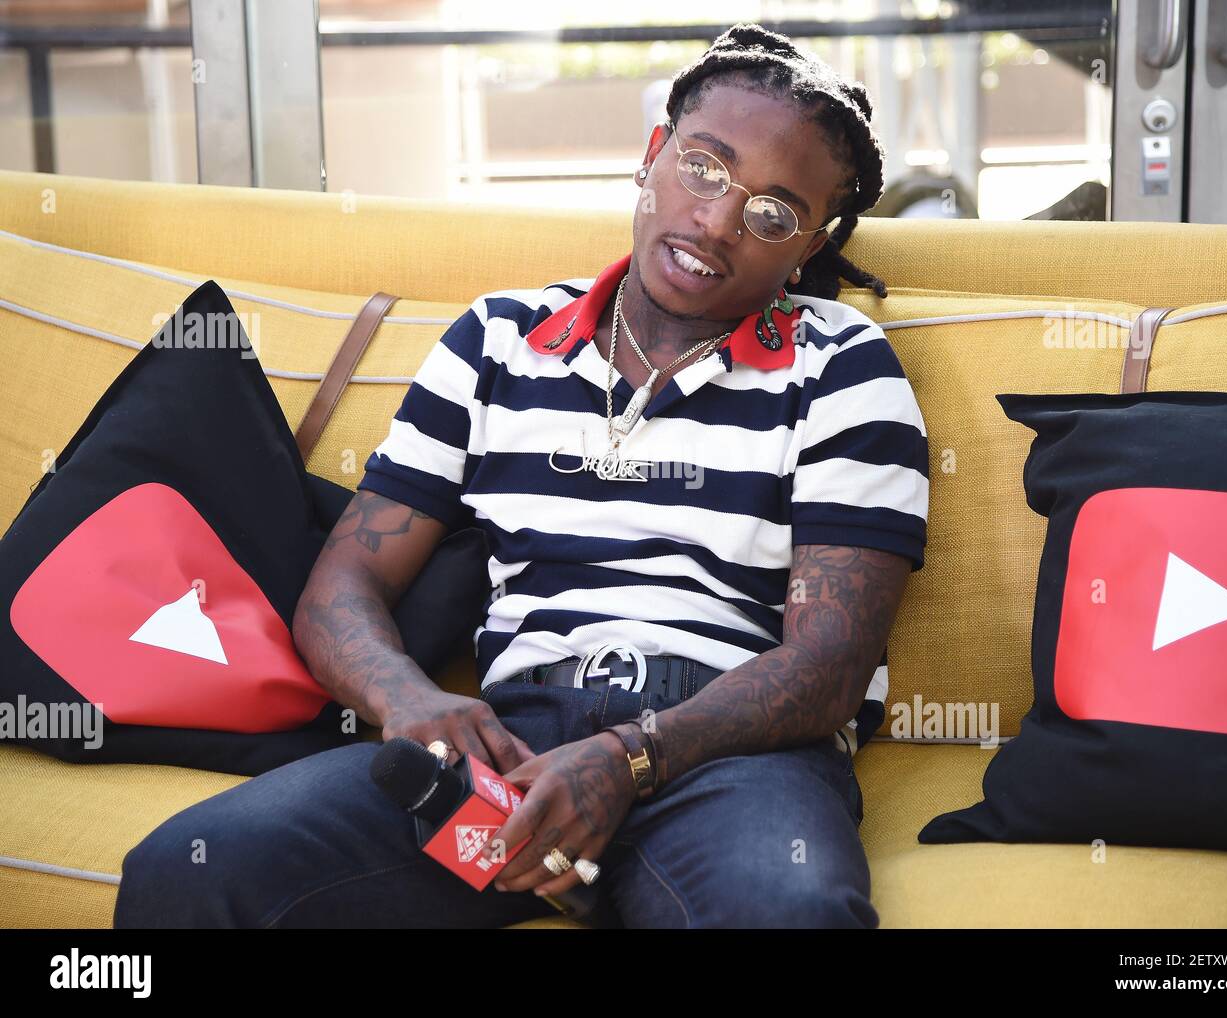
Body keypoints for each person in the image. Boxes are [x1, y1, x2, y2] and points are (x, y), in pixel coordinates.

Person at [113, 21, 928, 929]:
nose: (718, 220)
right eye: (704, 167)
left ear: (809, 246)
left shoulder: (843, 364)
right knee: (187, 875)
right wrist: (410, 701)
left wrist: (628, 759)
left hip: (730, 754)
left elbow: (827, 668)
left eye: (773, 213)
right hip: (513, 748)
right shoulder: (497, 341)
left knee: (788, 913)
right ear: (653, 155)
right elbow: (343, 583)